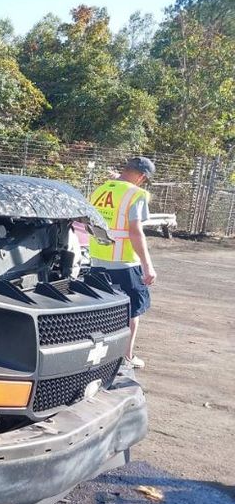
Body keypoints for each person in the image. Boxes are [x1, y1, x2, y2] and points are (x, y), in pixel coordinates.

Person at [88, 156, 158, 368]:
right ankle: (125, 357)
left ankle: (97, 356)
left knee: (101, 310)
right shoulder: (136, 194)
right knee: (132, 311)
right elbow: (135, 232)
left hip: (97, 261)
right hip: (124, 264)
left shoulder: (100, 190)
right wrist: (147, 265)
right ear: (142, 177)